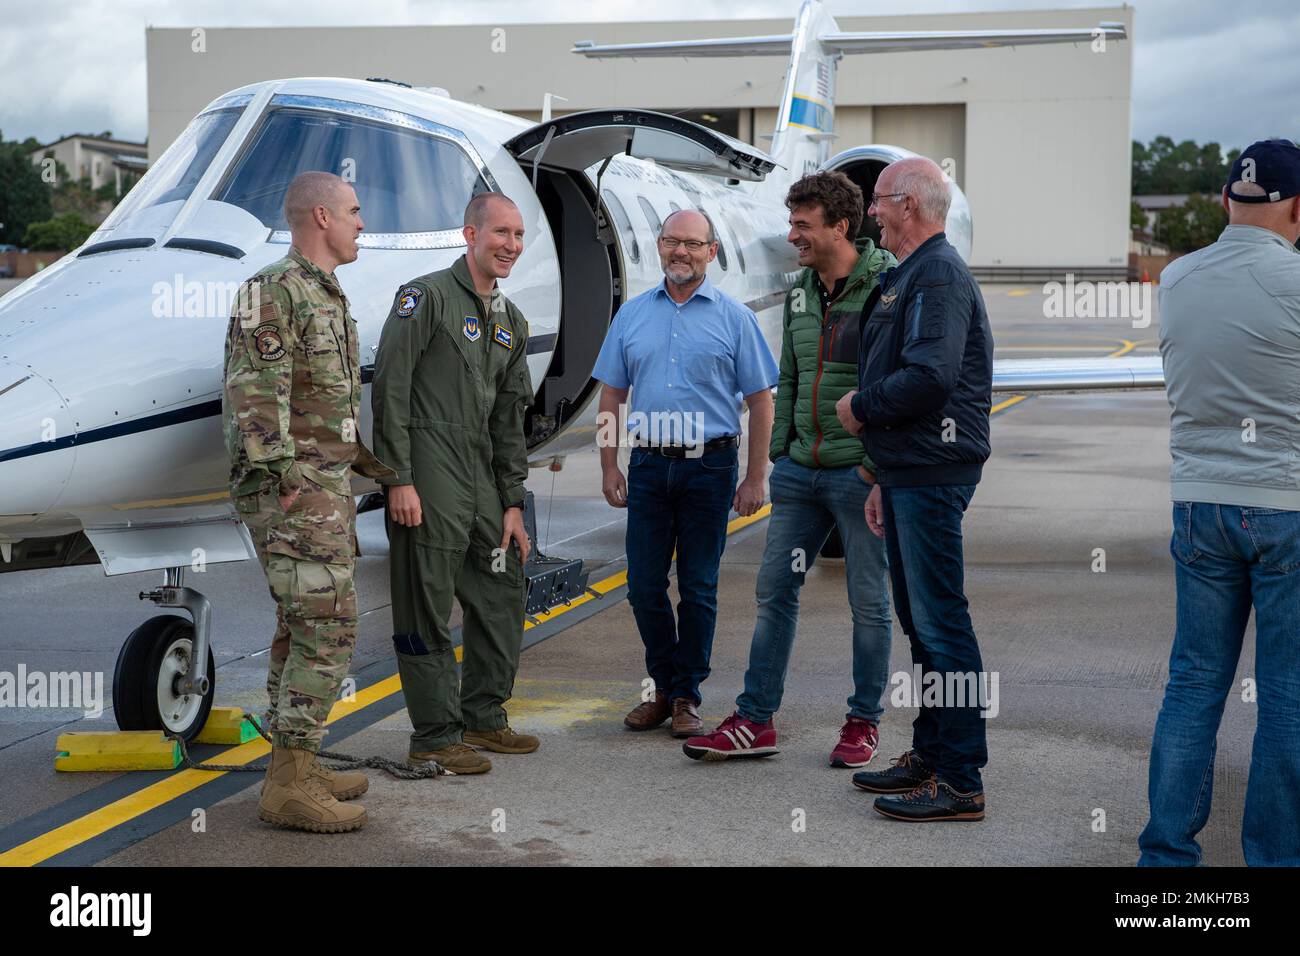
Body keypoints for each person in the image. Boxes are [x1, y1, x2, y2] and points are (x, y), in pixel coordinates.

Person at [682, 172, 895, 766]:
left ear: (841, 226)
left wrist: (876, 468)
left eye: (803, 225)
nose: (792, 234)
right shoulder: (801, 289)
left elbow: (893, 387)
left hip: (860, 476)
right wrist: (781, 453)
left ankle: (862, 723)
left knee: (870, 604)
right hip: (801, 474)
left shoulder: (886, 288)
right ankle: (755, 719)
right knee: (774, 593)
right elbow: (791, 375)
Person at [1139, 140, 1300, 866]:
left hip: (1200, 503)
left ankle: (1167, 853)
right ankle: (1274, 857)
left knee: (1194, 683)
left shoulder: (1175, 278)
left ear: (1225, 202)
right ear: (1297, 208)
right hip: (1286, 506)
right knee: (1288, 695)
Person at [224, 170, 394, 833]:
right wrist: (288, 477)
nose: (361, 223)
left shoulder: (326, 294)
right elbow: (252, 391)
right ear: (320, 217)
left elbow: (331, 409)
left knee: (303, 626)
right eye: (354, 211)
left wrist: (376, 470)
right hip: (295, 495)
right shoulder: (272, 291)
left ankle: (294, 763)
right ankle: (287, 785)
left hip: (326, 488)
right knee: (329, 626)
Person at [835, 156, 993, 822]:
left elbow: (929, 377)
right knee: (922, 624)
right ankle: (931, 755)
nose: (869, 211)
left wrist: (860, 409)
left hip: (934, 471)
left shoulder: (938, 275)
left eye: (878, 200)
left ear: (909, 205)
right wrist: (878, 471)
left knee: (941, 624)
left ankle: (959, 778)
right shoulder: (916, 274)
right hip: (909, 472)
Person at [596, 209, 779, 738]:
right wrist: (609, 463)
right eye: (672, 242)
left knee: (698, 587)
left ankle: (684, 696)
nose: (681, 252)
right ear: (659, 246)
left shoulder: (734, 318)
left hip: (711, 467)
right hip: (650, 466)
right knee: (643, 586)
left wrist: (755, 476)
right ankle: (663, 685)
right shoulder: (631, 316)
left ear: (711, 252)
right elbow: (613, 393)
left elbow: (760, 401)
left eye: (692, 244)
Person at [371, 192, 535, 776]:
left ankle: (484, 718)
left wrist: (512, 501)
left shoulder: (510, 322)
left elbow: (509, 419)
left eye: (518, 235)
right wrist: (398, 479)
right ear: (470, 234)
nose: (510, 245)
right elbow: (390, 388)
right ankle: (435, 735)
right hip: (429, 472)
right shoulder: (426, 299)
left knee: (500, 593)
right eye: (500, 233)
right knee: (426, 605)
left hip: (484, 480)